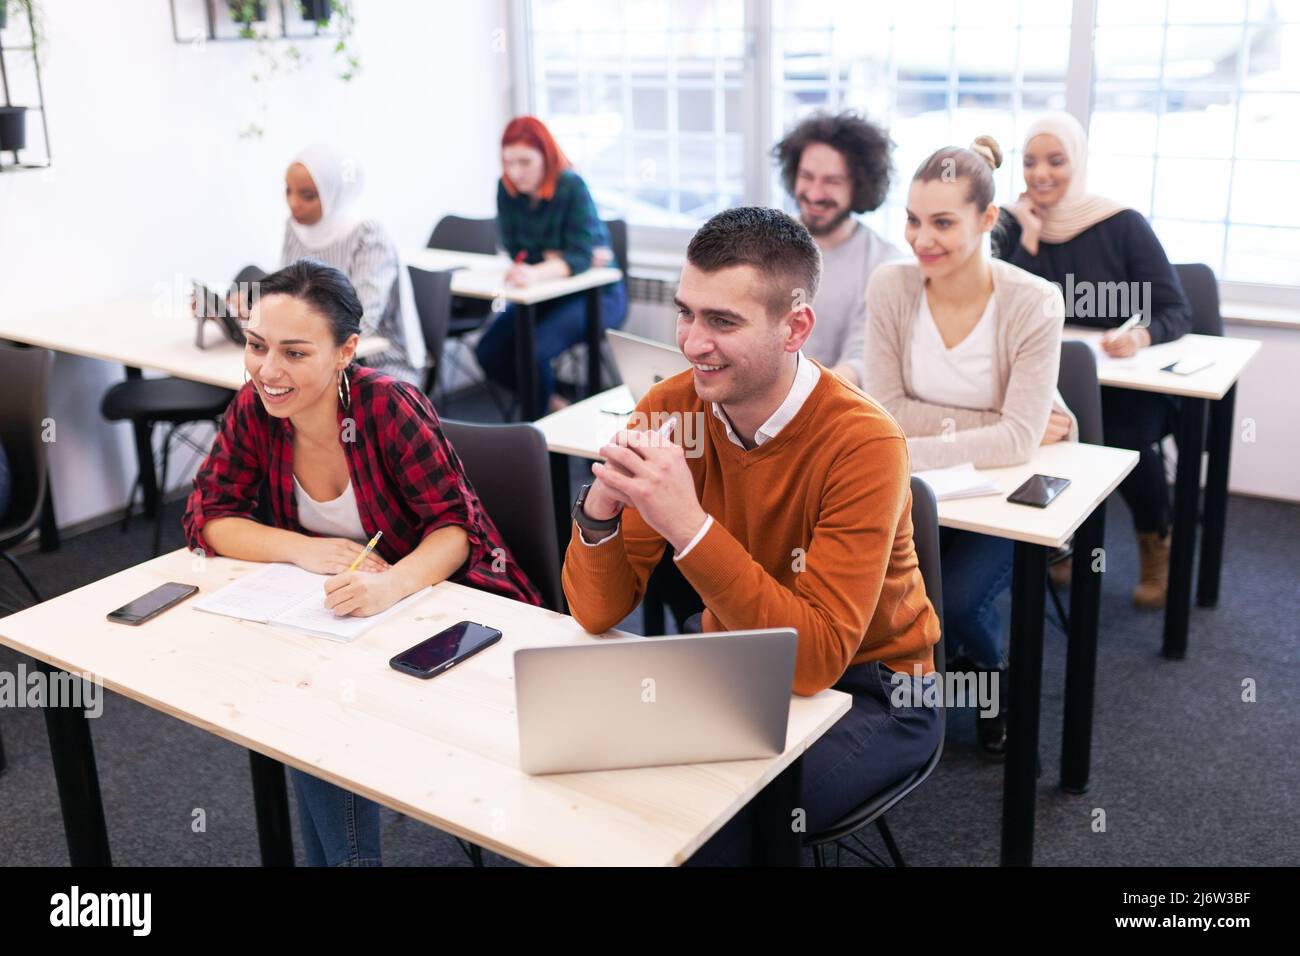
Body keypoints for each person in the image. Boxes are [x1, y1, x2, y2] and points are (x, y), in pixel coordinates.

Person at [561, 206, 941, 864]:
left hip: (877, 689)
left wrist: (687, 523)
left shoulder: (864, 442)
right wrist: (600, 507)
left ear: (795, 327)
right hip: (734, 668)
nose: (690, 342)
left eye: (721, 322)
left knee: (707, 829)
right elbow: (597, 610)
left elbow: (816, 660)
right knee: (594, 788)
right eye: (686, 312)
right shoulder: (674, 406)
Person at [182, 259, 540, 866]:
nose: (269, 371)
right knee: (304, 699)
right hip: (336, 620)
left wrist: (390, 587)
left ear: (346, 350)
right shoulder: (256, 408)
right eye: (257, 346)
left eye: (295, 353)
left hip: (442, 610)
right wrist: (303, 548)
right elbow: (206, 517)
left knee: (314, 711)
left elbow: (457, 531)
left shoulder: (388, 406)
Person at [865, 137, 1072, 755]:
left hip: (1009, 492)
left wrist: (913, 433)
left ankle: (992, 683)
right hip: (928, 485)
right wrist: (988, 418)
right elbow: (885, 411)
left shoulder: (1034, 301)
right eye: (912, 220)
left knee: (949, 603)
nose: (921, 238)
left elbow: (1016, 442)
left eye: (943, 223)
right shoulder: (891, 287)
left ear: (987, 221)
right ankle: (948, 688)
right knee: (889, 594)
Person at [995, 111, 1192, 609]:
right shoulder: (1015, 228)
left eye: (1055, 161)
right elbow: (1002, 305)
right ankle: (1058, 545)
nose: (1041, 174)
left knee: (1122, 439)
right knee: (1032, 434)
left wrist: (1143, 335)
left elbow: (1175, 308)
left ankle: (1155, 542)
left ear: (1076, 162)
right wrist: (1029, 239)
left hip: (1126, 386)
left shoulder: (1121, 223)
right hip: (1048, 378)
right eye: (1030, 162)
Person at [474, 116, 628, 416]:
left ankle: (544, 432)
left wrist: (541, 267)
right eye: (508, 162)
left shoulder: (571, 185)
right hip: (546, 293)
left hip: (598, 296)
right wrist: (560, 258)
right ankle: (554, 405)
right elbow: (514, 247)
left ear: (546, 156)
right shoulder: (506, 190)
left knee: (534, 351)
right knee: (488, 351)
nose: (515, 172)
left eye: (524, 162)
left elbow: (581, 255)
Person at [772, 110, 905, 386]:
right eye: (807, 176)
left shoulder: (883, 264)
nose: (815, 193)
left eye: (832, 182)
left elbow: (863, 361)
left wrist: (796, 399)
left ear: (858, 187)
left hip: (830, 409)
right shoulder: (766, 242)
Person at [280, 141, 424, 386]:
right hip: (310, 355)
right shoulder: (295, 228)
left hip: (376, 360)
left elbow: (363, 322)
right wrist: (246, 307)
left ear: (333, 193)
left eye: (307, 195)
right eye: (288, 191)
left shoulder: (367, 234)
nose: (294, 203)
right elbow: (286, 296)